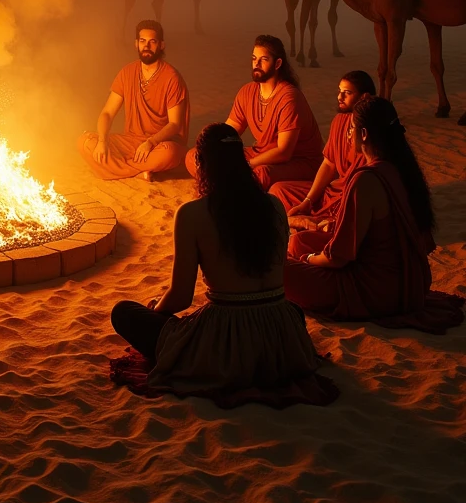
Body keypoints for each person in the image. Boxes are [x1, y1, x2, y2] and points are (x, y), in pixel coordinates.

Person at [111, 123, 336, 406]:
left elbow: (180, 298)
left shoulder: (192, 214)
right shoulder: (274, 206)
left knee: (125, 312)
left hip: (227, 337)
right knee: (292, 310)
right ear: (241, 160)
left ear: (202, 164)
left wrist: (156, 310)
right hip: (279, 332)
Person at [284, 96, 464, 332]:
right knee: (299, 241)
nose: (348, 136)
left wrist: (309, 260)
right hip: (409, 282)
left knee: (280, 270)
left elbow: (339, 257)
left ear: (365, 134)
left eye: (351, 130)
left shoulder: (365, 180)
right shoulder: (402, 168)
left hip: (375, 290)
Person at [185, 34, 322, 191]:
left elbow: (284, 152)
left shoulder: (289, 97)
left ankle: (223, 187)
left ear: (277, 64)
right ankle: (227, 186)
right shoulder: (247, 91)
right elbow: (228, 132)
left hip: (297, 162)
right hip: (260, 154)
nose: (256, 64)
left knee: (261, 173)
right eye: (254, 58)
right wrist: (211, 147)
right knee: (195, 156)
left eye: (263, 59)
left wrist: (245, 165)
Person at [275, 71, 375, 251]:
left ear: (365, 96)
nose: (340, 96)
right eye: (340, 91)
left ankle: (312, 226)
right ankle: (303, 222)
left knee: (322, 229)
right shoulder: (339, 121)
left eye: (347, 93)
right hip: (333, 192)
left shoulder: (373, 129)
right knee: (279, 190)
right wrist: (308, 200)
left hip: (352, 197)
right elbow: (329, 164)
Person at [77, 20, 189, 180]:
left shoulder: (172, 77)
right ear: (136, 44)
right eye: (142, 41)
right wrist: (102, 141)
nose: (147, 46)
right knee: (84, 142)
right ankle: (139, 172)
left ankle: (118, 169)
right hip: (130, 141)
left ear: (161, 45)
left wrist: (150, 143)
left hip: (159, 143)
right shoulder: (127, 72)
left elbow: (174, 124)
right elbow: (107, 113)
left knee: (170, 153)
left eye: (152, 42)